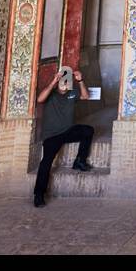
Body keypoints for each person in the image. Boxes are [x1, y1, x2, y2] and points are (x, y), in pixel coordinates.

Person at [33, 65, 93, 207]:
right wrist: (53, 82)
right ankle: (38, 194)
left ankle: (80, 161)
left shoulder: (72, 93)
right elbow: (40, 100)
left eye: (68, 80)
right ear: (59, 80)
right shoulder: (51, 93)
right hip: (52, 135)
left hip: (68, 131)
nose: (65, 83)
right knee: (46, 162)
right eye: (63, 80)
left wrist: (80, 80)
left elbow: (85, 96)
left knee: (88, 130)